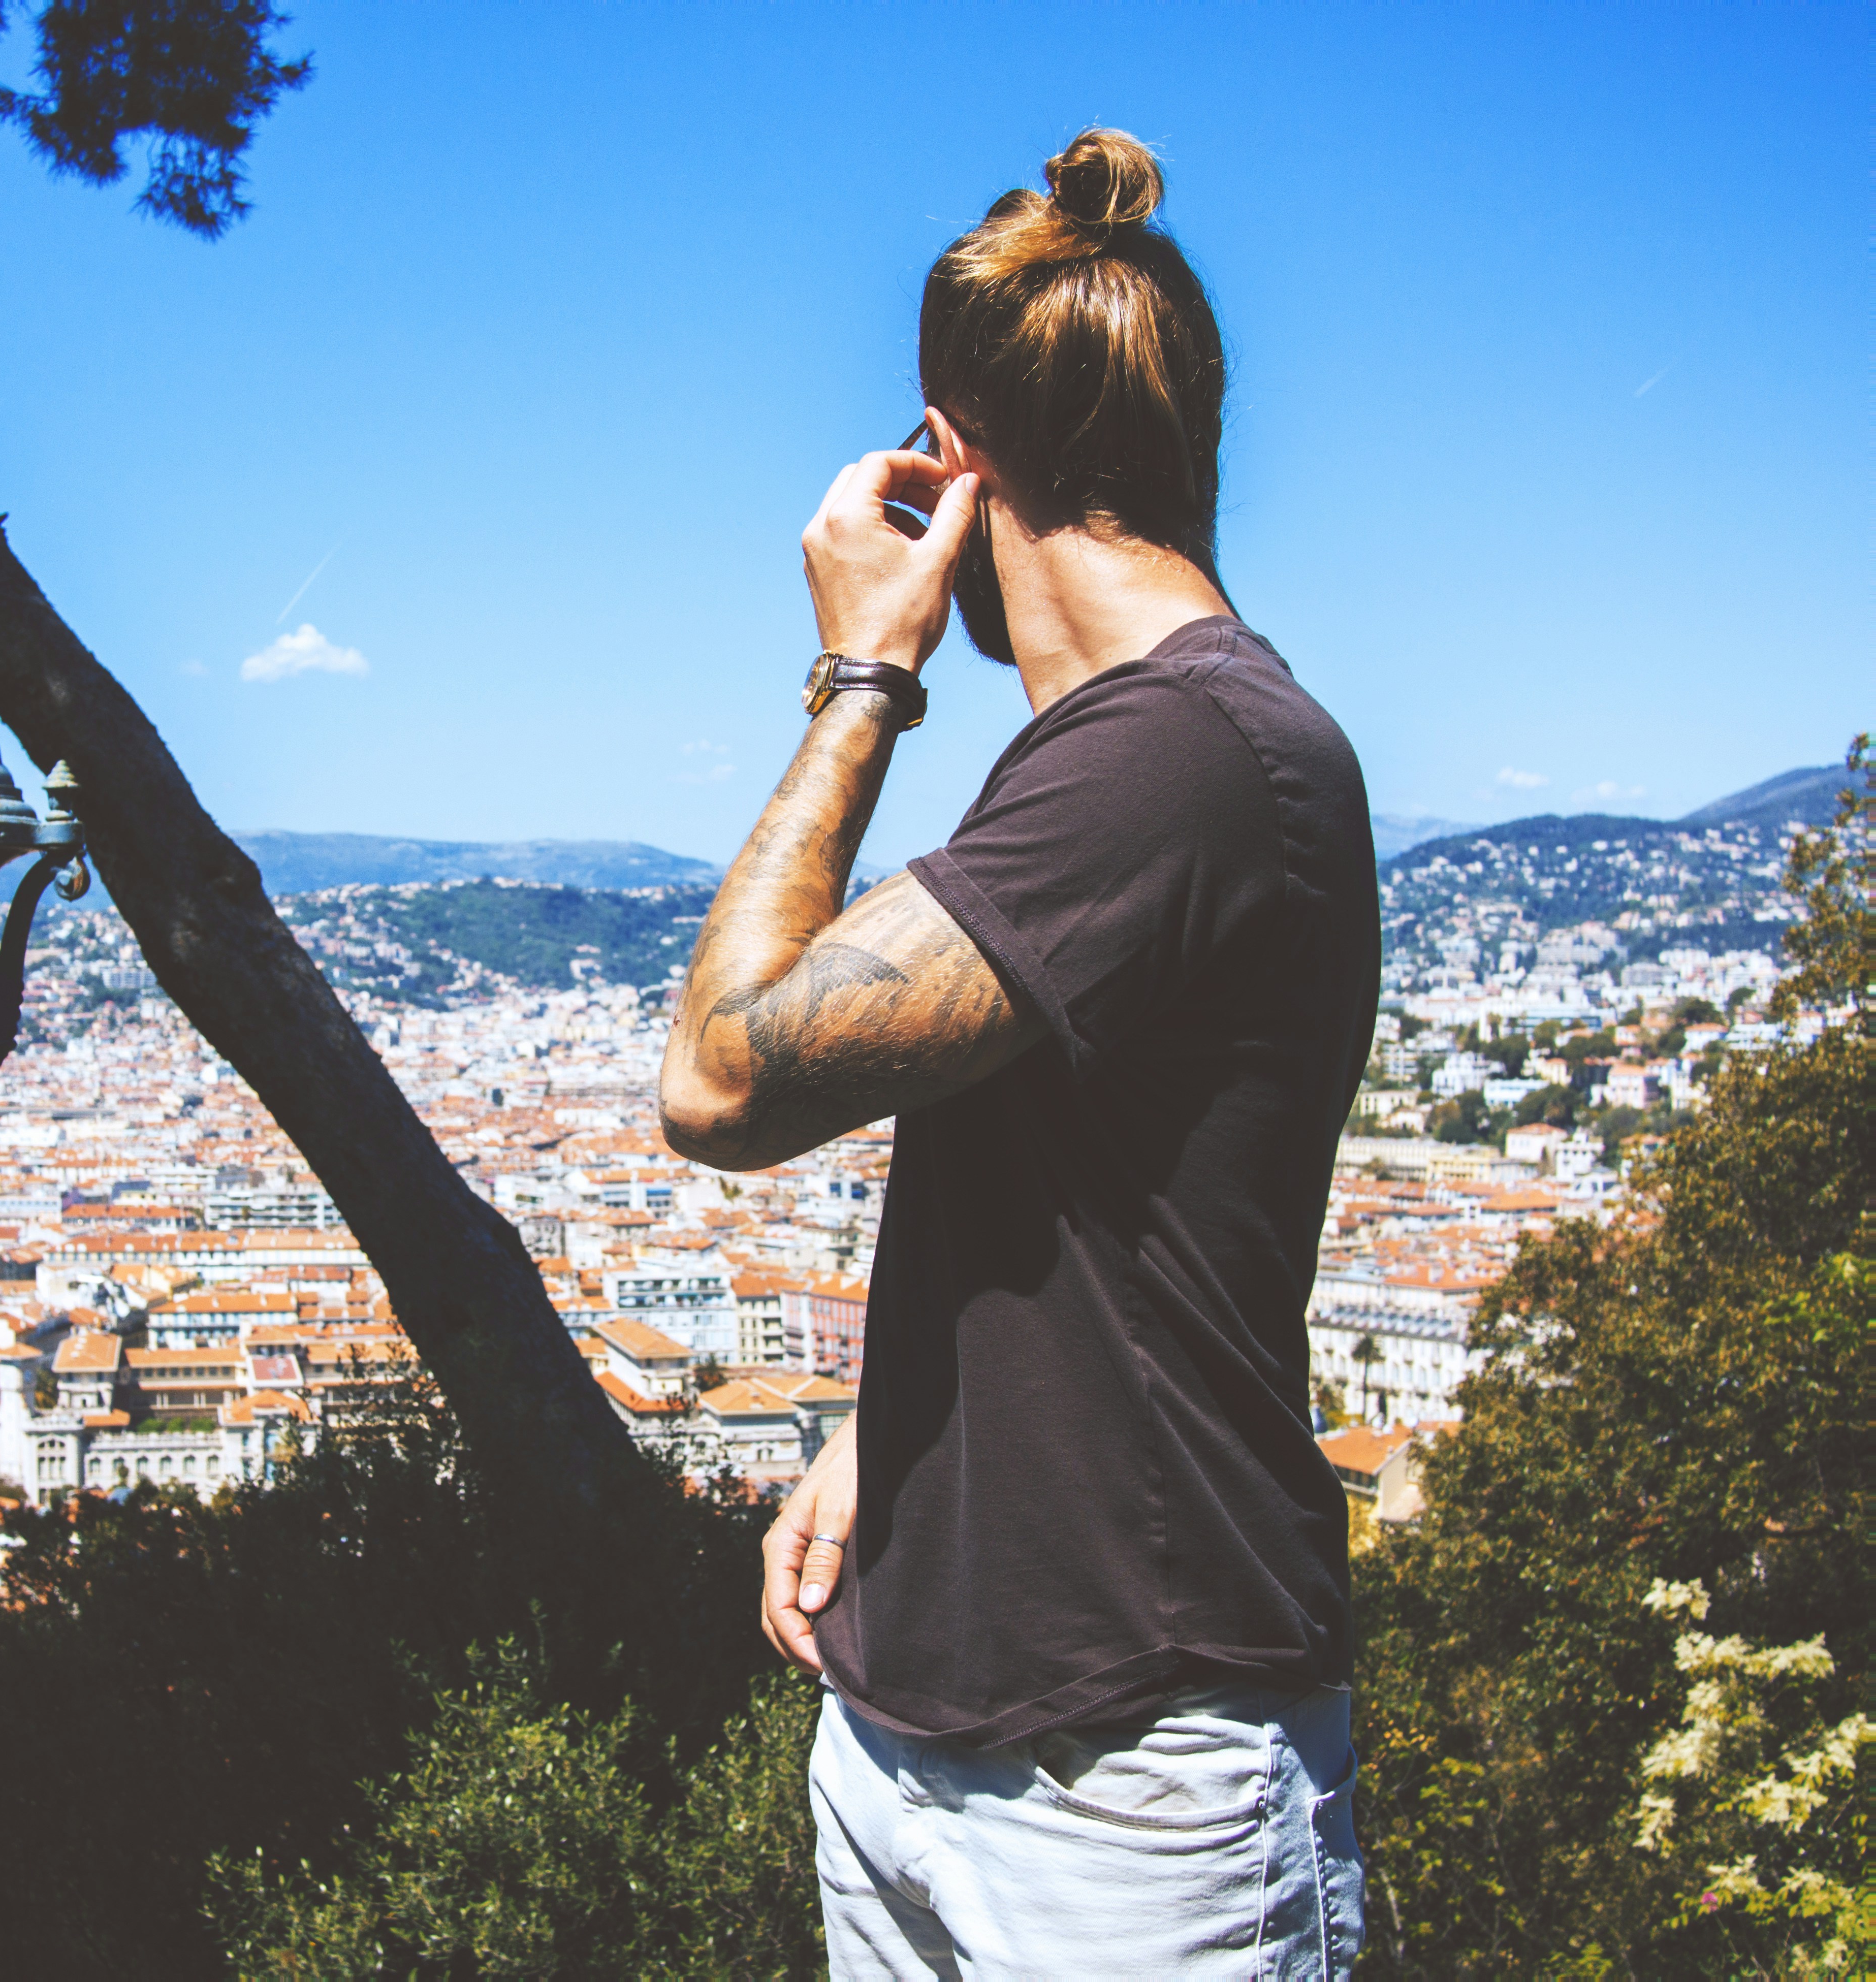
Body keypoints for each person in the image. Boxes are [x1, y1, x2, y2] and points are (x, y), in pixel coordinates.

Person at [658, 129, 1377, 1977]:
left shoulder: (1180, 759)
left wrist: (864, 679)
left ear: (952, 461)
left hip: (1123, 1772)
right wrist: (895, 1433)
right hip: (953, 1728)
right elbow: (1089, 1213)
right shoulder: (1129, 761)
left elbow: (722, 1077)